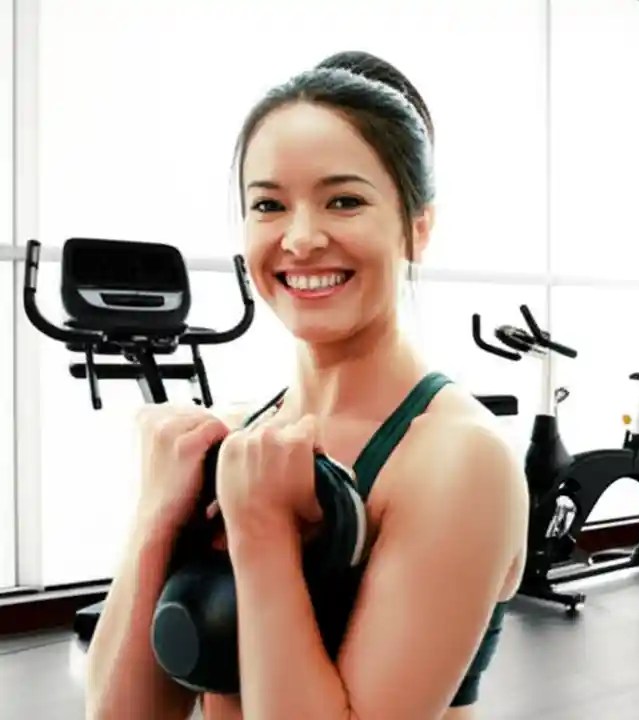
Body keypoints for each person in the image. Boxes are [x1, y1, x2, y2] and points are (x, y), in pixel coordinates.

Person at [81, 51, 529, 720]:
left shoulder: (457, 461)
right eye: (268, 204)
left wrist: (261, 532)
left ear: (418, 227)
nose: (300, 238)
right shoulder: (236, 439)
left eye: (343, 200)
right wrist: (155, 519)